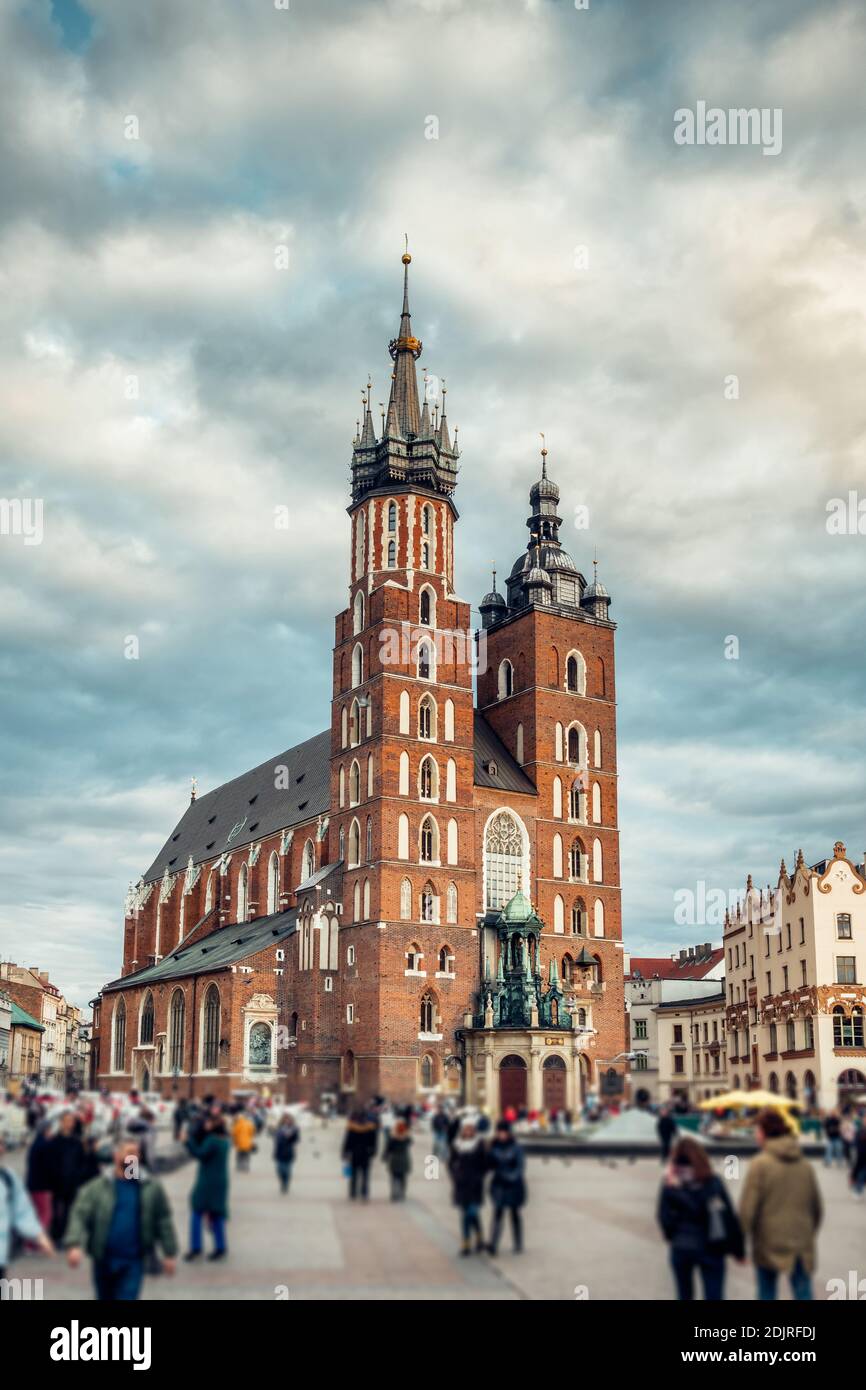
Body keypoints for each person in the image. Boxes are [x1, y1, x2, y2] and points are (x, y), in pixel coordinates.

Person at [65, 1138, 177, 1301]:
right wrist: (74, 1243)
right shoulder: (98, 1186)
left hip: (133, 1260)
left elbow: (163, 1219)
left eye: (137, 1153)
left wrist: (169, 1252)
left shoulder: (150, 1187)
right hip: (103, 1259)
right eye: (129, 1153)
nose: (134, 1158)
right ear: (116, 1156)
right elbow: (80, 1215)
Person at [739, 1108, 822, 1301]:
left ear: (765, 1132)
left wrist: (739, 1244)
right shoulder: (805, 1165)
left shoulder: (759, 1164)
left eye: (757, 1131)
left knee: (766, 1293)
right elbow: (817, 1208)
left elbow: (747, 1211)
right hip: (801, 1243)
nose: (756, 1136)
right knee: (803, 1294)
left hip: (768, 1244)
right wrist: (807, 1232)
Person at [657, 1136, 743, 1301]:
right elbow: (728, 1215)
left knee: (684, 1295)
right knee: (714, 1295)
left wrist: (672, 1235)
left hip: (681, 1246)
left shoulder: (670, 1183)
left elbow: (663, 1216)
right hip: (712, 1246)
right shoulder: (712, 1181)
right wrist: (737, 1249)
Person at [0, 1135, 54, 1278]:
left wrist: (39, 1235)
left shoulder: (7, 1178)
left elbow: (22, 1210)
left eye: (2, 1143)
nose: (2, 1149)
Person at [185, 1115, 231, 1260]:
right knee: (216, 1214)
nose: (205, 1123)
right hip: (221, 1181)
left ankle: (196, 1247)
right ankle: (220, 1247)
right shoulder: (225, 1140)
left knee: (196, 1211)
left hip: (207, 1181)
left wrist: (188, 1142)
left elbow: (200, 1153)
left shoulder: (212, 1140)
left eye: (208, 1122)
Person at [448, 1117, 489, 1256]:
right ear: (462, 1130)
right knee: (465, 1214)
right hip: (461, 1184)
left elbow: (485, 1164)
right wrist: (454, 1176)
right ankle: (467, 1242)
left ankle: (478, 1236)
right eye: (466, 1128)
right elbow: (451, 1162)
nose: (468, 1131)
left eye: (471, 1128)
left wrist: (480, 1177)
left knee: (472, 1212)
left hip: (475, 1184)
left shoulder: (479, 1144)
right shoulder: (456, 1144)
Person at [487, 1121, 526, 1255]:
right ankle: (493, 1243)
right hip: (498, 1185)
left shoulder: (516, 1147)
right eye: (499, 1132)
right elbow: (489, 1165)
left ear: (508, 1133)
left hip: (514, 1186)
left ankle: (518, 1243)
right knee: (498, 1213)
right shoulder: (493, 1147)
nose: (501, 1135)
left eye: (503, 1132)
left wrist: (510, 1177)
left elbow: (520, 1167)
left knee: (514, 1214)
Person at [49, 1109, 87, 1244]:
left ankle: (66, 1235)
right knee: (57, 1211)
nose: (69, 1124)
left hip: (72, 1183)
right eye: (67, 1121)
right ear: (61, 1123)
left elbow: (82, 1161)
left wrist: (79, 1176)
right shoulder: (54, 1141)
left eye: (71, 1121)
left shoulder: (76, 1142)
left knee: (70, 1211)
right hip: (57, 1183)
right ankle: (56, 1235)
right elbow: (49, 1162)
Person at [26, 1120, 56, 1232]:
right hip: (42, 1186)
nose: (51, 1132)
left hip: (32, 1184)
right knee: (46, 1214)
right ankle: (35, 1240)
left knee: (36, 1212)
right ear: (45, 1130)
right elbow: (49, 1168)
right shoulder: (46, 1145)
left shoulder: (35, 1144)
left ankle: (29, 1240)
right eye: (49, 1129)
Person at [341, 1109, 377, 1200]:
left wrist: (344, 1152)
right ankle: (364, 1193)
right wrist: (373, 1152)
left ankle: (353, 1193)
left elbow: (347, 1141)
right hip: (366, 1154)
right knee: (365, 1174)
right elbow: (374, 1142)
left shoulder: (352, 1128)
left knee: (354, 1174)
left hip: (354, 1153)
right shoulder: (370, 1128)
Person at [382, 1118, 412, 1201]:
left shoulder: (392, 1137)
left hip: (394, 1159)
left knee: (394, 1178)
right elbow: (411, 1142)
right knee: (403, 1178)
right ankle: (402, 1193)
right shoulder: (407, 1137)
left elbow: (388, 1149)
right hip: (404, 1159)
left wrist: (385, 1157)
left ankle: (394, 1194)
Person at [273, 1112, 300, 1194]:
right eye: (285, 1119)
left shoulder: (294, 1129)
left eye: (288, 1119)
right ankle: (282, 1182)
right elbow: (275, 1139)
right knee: (279, 1170)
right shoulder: (279, 1129)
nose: (287, 1121)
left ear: (291, 1121)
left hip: (289, 1152)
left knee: (287, 1171)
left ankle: (286, 1184)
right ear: (282, 1120)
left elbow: (296, 1140)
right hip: (279, 1152)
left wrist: (291, 1135)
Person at [231, 1108, 256, 1172]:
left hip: (240, 1143)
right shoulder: (249, 1123)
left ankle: (239, 1166)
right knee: (247, 1155)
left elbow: (234, 1133)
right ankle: (246, 1166)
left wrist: (234, 1141)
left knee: (239, 1155)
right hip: (248, 1143)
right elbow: (252, 1132)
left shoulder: (238, 1124)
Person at [851, 1123, 866, 1198]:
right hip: (862, 1156)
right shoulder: (860, 1131)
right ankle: (857, 1190)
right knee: (862, 1173)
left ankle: (858, 1189)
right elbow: (855, 1143)